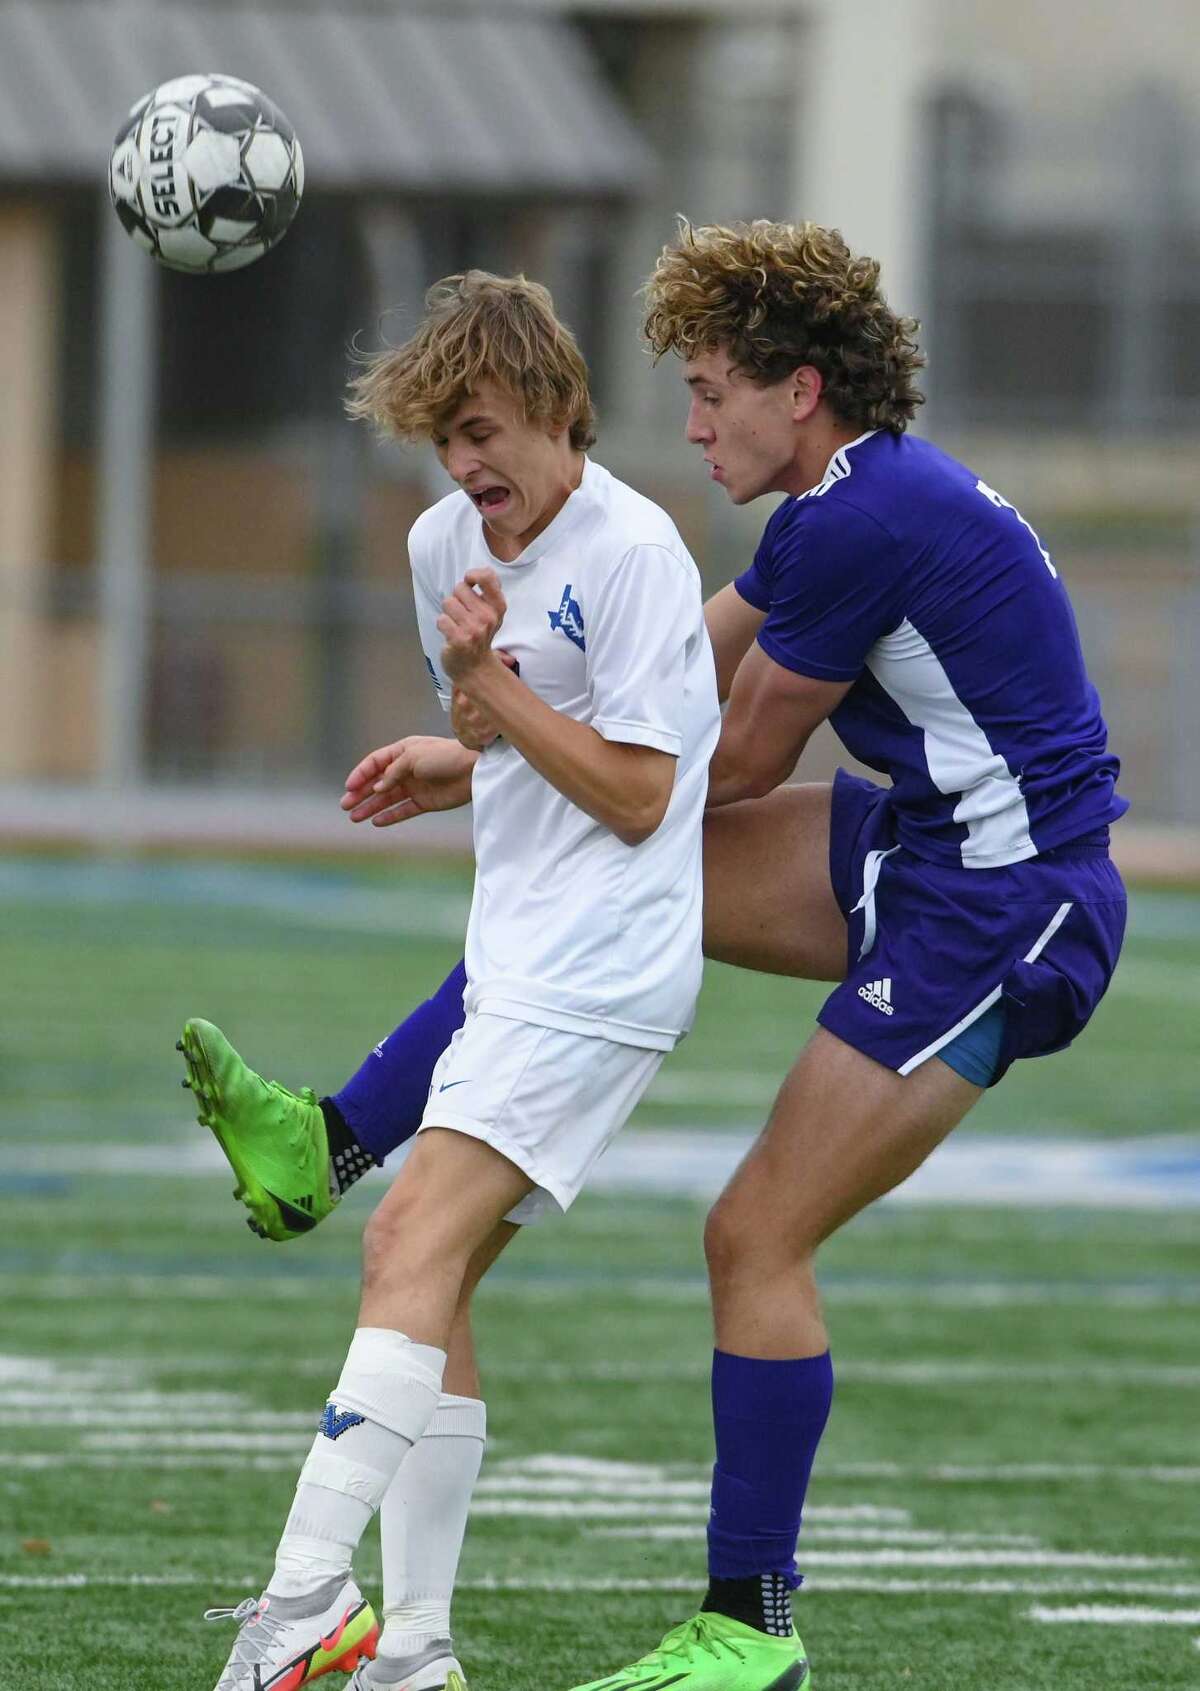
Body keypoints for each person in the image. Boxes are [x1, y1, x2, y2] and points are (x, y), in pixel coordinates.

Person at [184, 220, 1128, 1691]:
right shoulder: (845, 504)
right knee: (607, 874)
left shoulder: (861, 520)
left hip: (1009, 906)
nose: (689, 425)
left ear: (798, 390)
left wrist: (499, 721)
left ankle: (751, 1629)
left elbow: (709, 759)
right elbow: (679, 670)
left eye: (710, 391)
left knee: (754, 1234)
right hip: (925, 848)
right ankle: (335, 1136)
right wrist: (472, 749)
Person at [195, 269, 721, 1691]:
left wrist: (490, 701)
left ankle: (301, 1609)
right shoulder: (446, 543)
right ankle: (414, 1650)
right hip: (513, 959)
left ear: (558, 410)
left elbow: (635, 793)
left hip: (602, 968)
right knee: (439, 1294)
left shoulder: (638, 555)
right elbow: (520, 739)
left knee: (399, 1243)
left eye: (483, 429)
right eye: (444, 440)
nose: (467, 466)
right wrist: (462, 753)